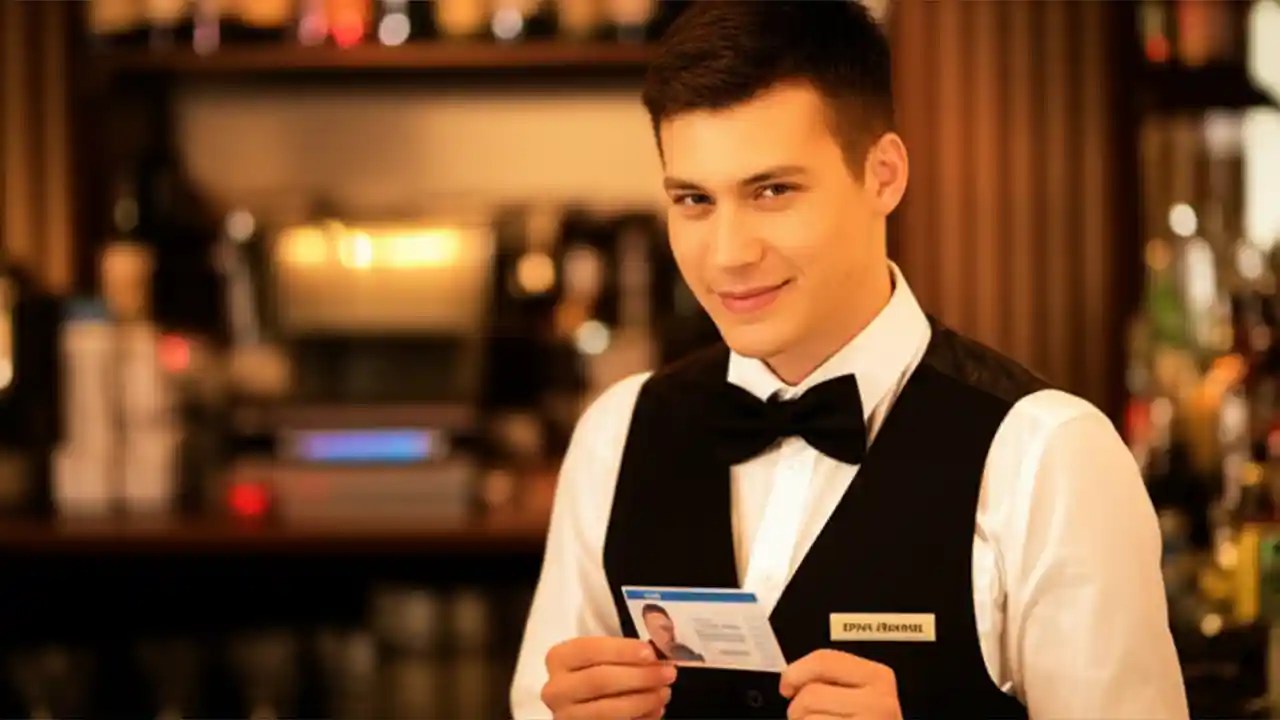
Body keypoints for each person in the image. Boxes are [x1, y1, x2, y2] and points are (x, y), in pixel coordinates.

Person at [511, 2, 1189, 719]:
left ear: (883, 175)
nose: (729, 254)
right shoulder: (616, 433)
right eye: (694, 200)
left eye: (773, 191)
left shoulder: (1048, 456)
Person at [640, 604, 706, 663]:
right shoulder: (646, 655)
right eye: (654, 632)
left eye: (665, 628)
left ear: (671, 623)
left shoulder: (683, 653)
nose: (662, 636)